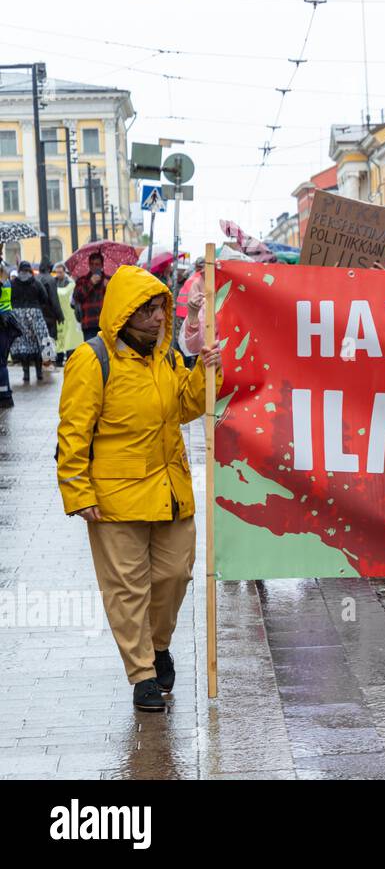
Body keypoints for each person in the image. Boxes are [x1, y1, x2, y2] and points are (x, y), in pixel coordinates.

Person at [56, 265, 222, 712]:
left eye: (160, 310)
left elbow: (187, 407)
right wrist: (78, 491)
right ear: (124, 314)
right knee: (127, 588)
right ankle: (143, 673)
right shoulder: (92, 360)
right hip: (115, 498)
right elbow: (73, 432)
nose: (156, 318)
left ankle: (158, 645)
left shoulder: (166, 357)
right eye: (146, 311)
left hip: (170, 491)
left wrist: (206, 372)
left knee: (174, 575)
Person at [8, 261, 58, 383]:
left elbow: (8, 297)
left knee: (24, 343)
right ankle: (39, 372)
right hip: (35, 313)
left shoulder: (12, 283)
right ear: (30, 270)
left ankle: (26, 373)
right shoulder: (36, 282)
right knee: (39, 341)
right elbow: (44, 297)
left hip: (18, 315)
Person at [72, 252, 110, 338]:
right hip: (89, 323)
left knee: (106, 350)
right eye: (92, 264)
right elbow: (76, 297)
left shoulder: (108, 280)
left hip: (105, 324)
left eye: (97, 264)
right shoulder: (82, 280)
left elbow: (116, 300)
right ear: (89, 265)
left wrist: (109, 288)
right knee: (90, 350)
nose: (94, 267)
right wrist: (90, 283)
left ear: (101, 265)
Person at [54, 265, 84, 365]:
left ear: (64, 272)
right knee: (60, 337)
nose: (58, 275)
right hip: (59, 314)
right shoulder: (54, 282)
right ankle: (59, 359)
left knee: (69, 338)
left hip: (69, 315)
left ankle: (69, 359)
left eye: (60, 272)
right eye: (57, 272)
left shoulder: (70, 283)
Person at [37, 260, 60, 341]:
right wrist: (60, 316)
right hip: (49, 315)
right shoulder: (50, 279)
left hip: (38, 316)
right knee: (51, 343)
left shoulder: (36, 279)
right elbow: (55, 300)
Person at [0, 270, 14, 408]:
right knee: (2, 361)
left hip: (2, 321)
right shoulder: (5, 277)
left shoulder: (2, 279)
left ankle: (4, 396)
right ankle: (6, 393)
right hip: (6, 320)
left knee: (1, 362)